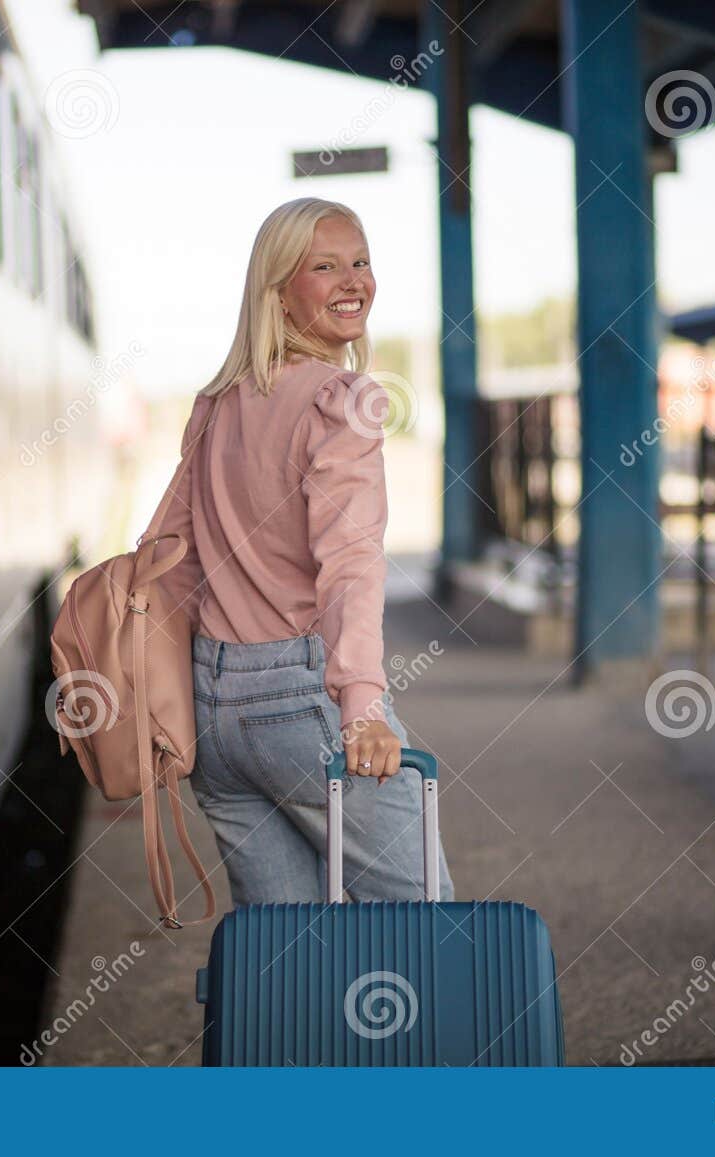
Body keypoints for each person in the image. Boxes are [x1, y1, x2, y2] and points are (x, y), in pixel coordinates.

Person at [147, 197, 455, 906]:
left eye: (361, 261)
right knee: (428, 926)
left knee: (283, 963)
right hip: (299, 702)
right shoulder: (343, 401)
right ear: (279, 292)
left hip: (215, 717)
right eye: (325, 267)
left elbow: (173, 555)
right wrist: (363, 710)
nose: (354, 281)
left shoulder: (216, 403)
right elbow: (350, 562)